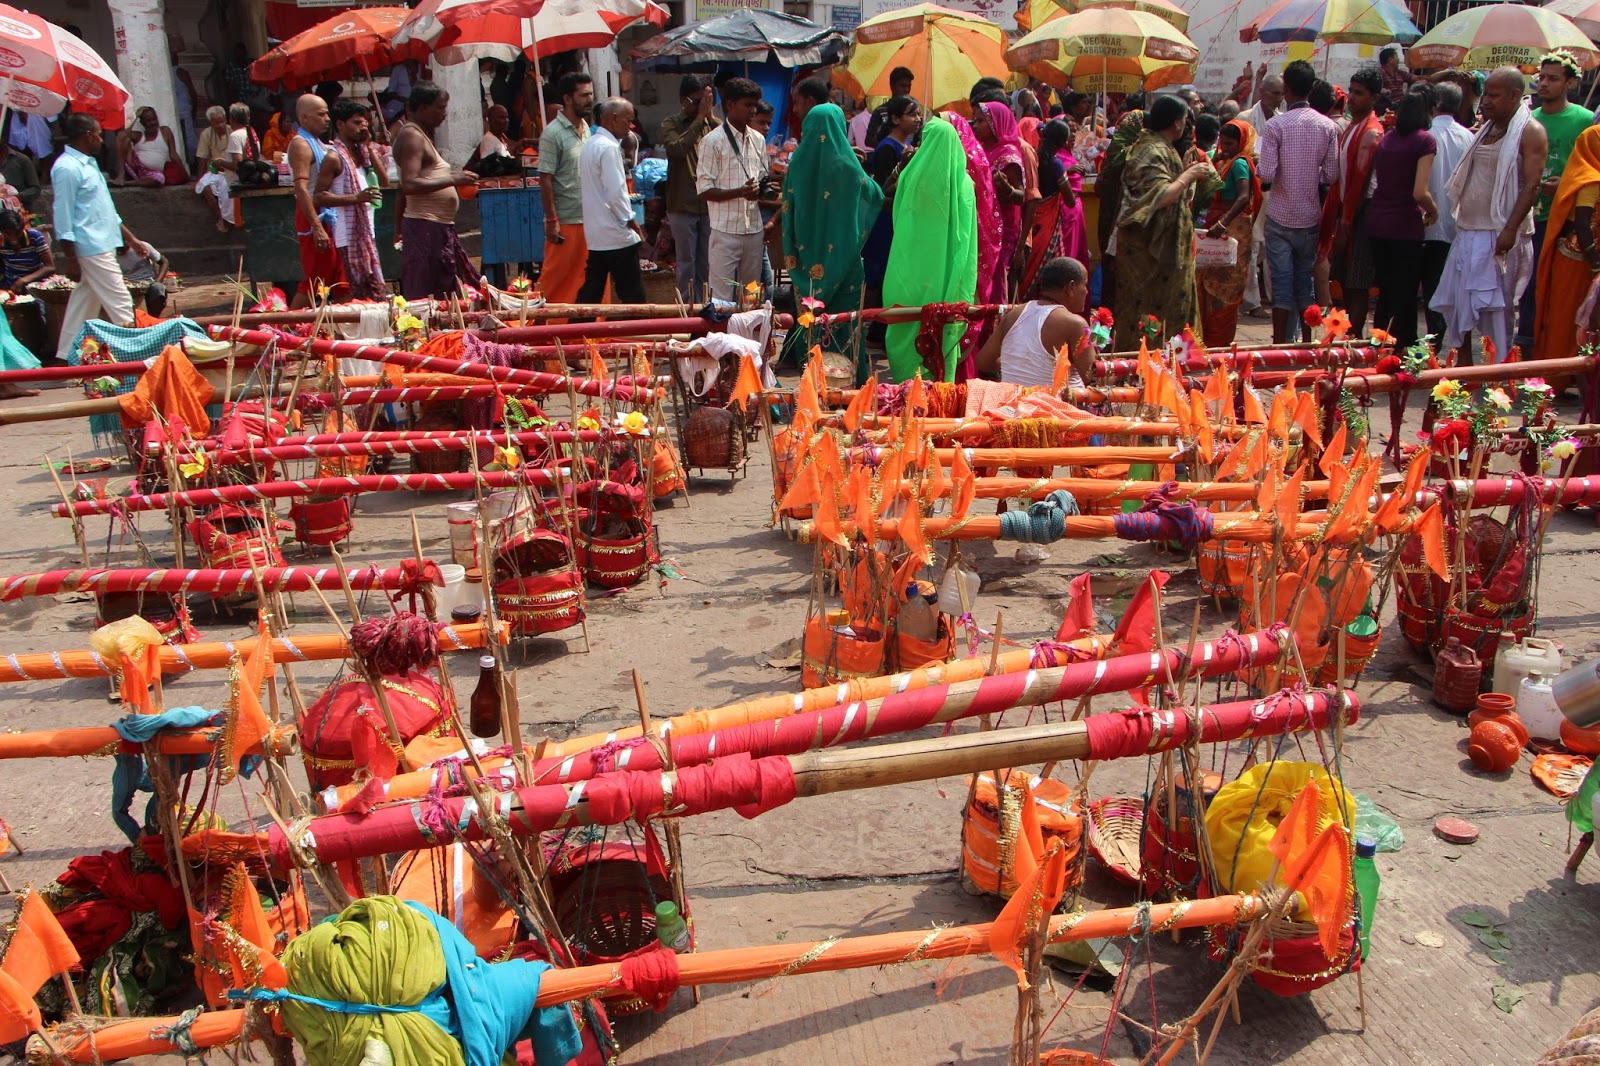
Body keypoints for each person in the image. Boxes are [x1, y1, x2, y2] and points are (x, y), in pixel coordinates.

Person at [1430, 67, 1548, 364]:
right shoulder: (1486, 128)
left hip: (1500, 234)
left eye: (1494, 96)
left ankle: (1497, 373)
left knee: (1496, 311)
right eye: (1485, 95)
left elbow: (1531, 185)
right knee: (1460, 307)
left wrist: (1510, 230)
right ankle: (1464, 371)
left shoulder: (1531, 132)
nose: (1485, 102)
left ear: (1515, 95)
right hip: (1468, 230)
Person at [779, 100, 882, 372]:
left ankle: (811, 382)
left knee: (811, 324)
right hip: (844, 262)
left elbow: (788, 212)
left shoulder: (795, 165)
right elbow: (874, 195)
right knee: (843, 326)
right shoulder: (847, 166)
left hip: (805, 265)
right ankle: (848, 385)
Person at [1111, 96, 1213, 350]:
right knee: (1143, 311)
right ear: (1177, 122)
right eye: (1185, 120)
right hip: (1147, 252)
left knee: (1169, 312)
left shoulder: (1163, 147)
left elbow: (1173, 190)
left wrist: (1184, 173)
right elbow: (1160, 196)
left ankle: (1170, 361)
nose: (1186, 126)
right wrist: (1189, 174)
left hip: (1166, 249)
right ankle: (1139, 361)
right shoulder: (1152, 150)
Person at [883, 117, 976, 383]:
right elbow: (968, 240)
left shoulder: (911, 176)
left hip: (907, 273)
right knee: (942, 328)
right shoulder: (965, 184)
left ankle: (906, 392)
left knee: (907, 325)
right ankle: (939, 399)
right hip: (946, 277)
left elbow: (894, 209)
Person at [52, 114, 149, 361]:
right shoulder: (67, 168)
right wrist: (70, 258)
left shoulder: (89, 164)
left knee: (84, 301)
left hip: (103, 241)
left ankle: (66, 354)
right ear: (87, 136)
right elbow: (62, 215)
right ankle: (137, 354)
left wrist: (131, 239)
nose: (100, 139)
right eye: (97, 134)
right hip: (90, 245)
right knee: (120, 301)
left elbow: (105, 209)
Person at [1517, 50, 1593, 352]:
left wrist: (1566, 184)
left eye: (1553, 78)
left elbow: (1591, 166)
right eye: (1542, 77)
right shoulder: (1527, 119)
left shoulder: (1584, 120)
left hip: (1565, 219)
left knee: (1553, 287)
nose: (1545, 83)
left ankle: (1550, 348)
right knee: (1526, 286)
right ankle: (1526, 345)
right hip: (1527, 216)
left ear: (1570, 83)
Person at [1260, 59, 1339, 342]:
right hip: (1309, 217)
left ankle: (1280, 347)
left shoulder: (1275, 126)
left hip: (1280, 217)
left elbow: (1266, 174)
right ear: (1312, 88)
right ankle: (1307, 345)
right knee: (1305, 284)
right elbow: (1331, 174)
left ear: (1286, 90)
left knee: (1282, 285)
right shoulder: (1328, 126)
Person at [1367, 88, 1438, 349]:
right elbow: (1420, 192)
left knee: (1386, 291)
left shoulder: (1388, 138)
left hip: (1378, 221)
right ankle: (1402, 348)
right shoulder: (1424, 141)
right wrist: (1433, 210)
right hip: (1405, 224)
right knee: (1405, 292)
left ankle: (1380, 344)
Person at [394, 83, 480, 300]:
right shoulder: (412, 137)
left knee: (450, 293)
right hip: (425, 229)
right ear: (423, 107)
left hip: (435, 228)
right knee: (427, 297)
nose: (444, 114)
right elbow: (409, 185)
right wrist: (453, 179)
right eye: (440, 108)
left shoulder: (420, 135)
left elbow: (401, 189)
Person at [1320, 66, 1384, 337]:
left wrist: (1346, 224)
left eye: (1360, 93)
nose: (1353, 98)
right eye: (1352, 91)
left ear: (1374, 98)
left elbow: (1360, 182)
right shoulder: (1352, 128)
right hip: (1348, 212)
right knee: (1344, 281)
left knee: (1356, 283)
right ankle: (1347, 337)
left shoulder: (1371, 132)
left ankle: (1354, 339)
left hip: (1361, 212)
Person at [1534, 124, 1600, 376]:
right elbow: (1583, 225)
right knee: (1568, 320)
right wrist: (1595, 262)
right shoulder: (1591, 180)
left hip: (1581, 260)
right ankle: (1559, 378)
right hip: (1579, 261)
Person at [696, 77, 769, 303]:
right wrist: (740, 192)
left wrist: (764, 189)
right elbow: (704, 191)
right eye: (747, 105)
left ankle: (750, 327)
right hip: (725, 232)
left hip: (754, 230)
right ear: (729, 105)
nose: (753, 110)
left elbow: (762, 178)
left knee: (752, 296)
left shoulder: (758, 139)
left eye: (755, 105)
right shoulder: (712, 141)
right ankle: (721, 328)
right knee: (721, 298)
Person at [975, 257, 1093, 387]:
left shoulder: (1013, 315)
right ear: (1070, 288)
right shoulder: (1076, 324)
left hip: (1012, 398)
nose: (1087, 291)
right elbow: (1092, 378)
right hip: (1055, 400)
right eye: (1085, 285)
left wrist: (1017, 363)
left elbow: (983, 362)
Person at [573, 98, 646, 305]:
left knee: (591, 293)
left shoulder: (591, 144)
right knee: (633, 296)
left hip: (597, 233)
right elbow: (616, 193)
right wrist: (633, 223)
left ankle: (577, 324)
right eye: (628, 121)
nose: (631, 126)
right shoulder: (608, 148)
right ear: (614, 118)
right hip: (615, 233)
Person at [1197, 119, 1262, 346]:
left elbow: (1243, 196)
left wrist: (1223, 223)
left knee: (1225, 287)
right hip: (1216, 223)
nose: (1225, 148)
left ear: (1241, 143)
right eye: (1222, 143)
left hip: (1231, 227)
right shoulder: (1224, 161)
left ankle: (1219, 341)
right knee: (1208, 281)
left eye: (1230, 144)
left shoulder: (1239, 164)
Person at [315, 100, 388, 301]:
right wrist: (356, 198)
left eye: (364, 123)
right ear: (340, 124)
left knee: (374, 294)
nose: (362, 128)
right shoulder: (333, 157)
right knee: (359, 294)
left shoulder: (361, 153)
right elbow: (319, 196)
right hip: (347, 236)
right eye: (356, 123)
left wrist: (369, 147)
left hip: (366, 233)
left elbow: (384, 181)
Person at [947, 111, 1000, 376]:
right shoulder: (960, 156)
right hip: (959, 241)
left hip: (970, 243)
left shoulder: (967, 162)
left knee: (962, 305)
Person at [1422, 81, 1475, 342]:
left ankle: (1435, 338)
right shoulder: (1468, 137)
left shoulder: (1425, 134)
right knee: (1447, 284)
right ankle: (1442, 335)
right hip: (1455, 223)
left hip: (1428, 222)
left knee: (1431, 284)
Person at [538, 72, 595, 304]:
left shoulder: (587, 128)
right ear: (568, 99)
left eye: (590, 94)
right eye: (584, 95)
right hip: (565, 220)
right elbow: (545, 179)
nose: (590, 100)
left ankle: (590, 324)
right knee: (556, 279)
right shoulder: (552, 133)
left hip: (590, 218)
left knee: (589, 278)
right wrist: (552, 220)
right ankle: (545, 322)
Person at [660, 76, 716, 304]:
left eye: (706, 100)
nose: (702, 106)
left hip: (710, 203)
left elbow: (731, 143)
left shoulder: (713, 125)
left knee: (707, 262)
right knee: (686, 262)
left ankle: (705, 306)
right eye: (697, 101)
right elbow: (676, 150)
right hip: (682, 204)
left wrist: (709, 118)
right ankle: (686, 307)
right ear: (684, 101)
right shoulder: (671, 123)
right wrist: (699, 119)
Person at [1017, 119, 1088, 301]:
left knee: (1028, 267)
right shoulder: (1056, 165)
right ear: (1063, 142)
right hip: (1046, 225)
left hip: (1029, 218)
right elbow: (1070, 201)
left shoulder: (1032, 156)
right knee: (1047, 269)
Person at [287, 93, 345, 309]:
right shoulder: (301, 145)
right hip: (314, 215)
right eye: (321, 115)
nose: (327, 119)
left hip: (330, 215)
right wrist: (317, 226)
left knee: (341, 279)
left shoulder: (321, 144)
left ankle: (348, 324)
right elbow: (301, 189)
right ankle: (285, 326)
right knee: (316, 280)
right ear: (304, 117)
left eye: (327, 114)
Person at [863, 96, 921, 311]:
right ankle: (872, 320)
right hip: (886, 220)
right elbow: (883, 192)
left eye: (918, 114)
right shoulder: (887, 148)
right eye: (912, 114)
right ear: (896, 119)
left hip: (899, 218)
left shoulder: (908, 147)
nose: (917, 119)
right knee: (879, 274)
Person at [972, 100, 1026, 301]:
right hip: (982, 226)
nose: (975, 125)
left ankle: (997, 319)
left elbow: (1022, 196)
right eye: (975, 120)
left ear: (996, 124)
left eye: (981, 121)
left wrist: (1007, 190)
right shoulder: (980, 150)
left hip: (1003, 229)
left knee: (996, 281)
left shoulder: (1008, 155)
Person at [1238, 74, 1283, 315]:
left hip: (1273, 191)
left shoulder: (1281, 120)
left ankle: (1275, 297)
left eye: (1281, 94)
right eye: (1275, 93)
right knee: (1253, 245)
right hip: (1250, 189)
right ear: (1263, 93)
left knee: (1268, 245)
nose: (1279, 98)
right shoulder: (1245, 119)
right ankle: (1252, 301)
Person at [1097, 96, 1145, 313]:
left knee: (1111, 269)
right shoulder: (1137, 155)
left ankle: (1108, 318)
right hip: (1125, 226)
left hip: (1108, 225)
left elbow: (1099, 187)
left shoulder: (1113, 155)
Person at [116, 107, 187, 187]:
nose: (153, 123)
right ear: (142, 123)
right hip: (136, 170)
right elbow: (122, 134)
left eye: (154, 119)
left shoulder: (165, 131)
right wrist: (135, 116)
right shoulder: (139, 136)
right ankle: (121, 176)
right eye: (148, 121)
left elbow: (173, 155)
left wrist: (184, 174)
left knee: (160, 178)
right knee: (123, 138)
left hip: (152, 174)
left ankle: (127, 183)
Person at [194, 105, 238, 232]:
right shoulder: (206, 134)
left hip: (230, 169)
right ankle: (220, 216)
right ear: (210, 123)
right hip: (214, 170)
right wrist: (199, 178)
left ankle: (229, 220)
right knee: (204, 187)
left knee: (226, 187)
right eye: (217, 123)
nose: (221, 125)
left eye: (222, 121)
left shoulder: (233, 132)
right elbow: (202, 157)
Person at [0, 209, 51, 291]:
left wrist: (23, 281)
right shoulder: (1, 240)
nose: (13, 238)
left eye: (17, 233)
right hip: (11, 287)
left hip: (36, 287)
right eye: (8, 234)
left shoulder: (34, 236)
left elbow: (50, 267)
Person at [865, 67, 914, 149]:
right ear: (892, 85)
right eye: (902, 86)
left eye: (908, 86)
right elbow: (868, 140)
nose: (906, 90)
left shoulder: (913, 113)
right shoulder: (880, 111)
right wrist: (887, 147)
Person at [171, 51, 198, 167]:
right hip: (184, 108)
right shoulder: (181, 72)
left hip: (175, 109)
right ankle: (193, 161)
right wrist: (195, 107)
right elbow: (192, 92)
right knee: (189, 135)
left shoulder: (166, 72)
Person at [0, 137, 40, 212]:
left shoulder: (22, 160)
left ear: (3, 138)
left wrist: (16, 197)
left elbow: (35, 189)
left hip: (20, 213)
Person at [1378, 46, 1413, 112]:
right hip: (1386, 109)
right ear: (1390, 59)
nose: (1398, 60)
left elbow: (1415, 78)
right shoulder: (1379, 73)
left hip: (1401, 107)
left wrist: (1432, 77)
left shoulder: (1399, 72)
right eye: (1396, 56)